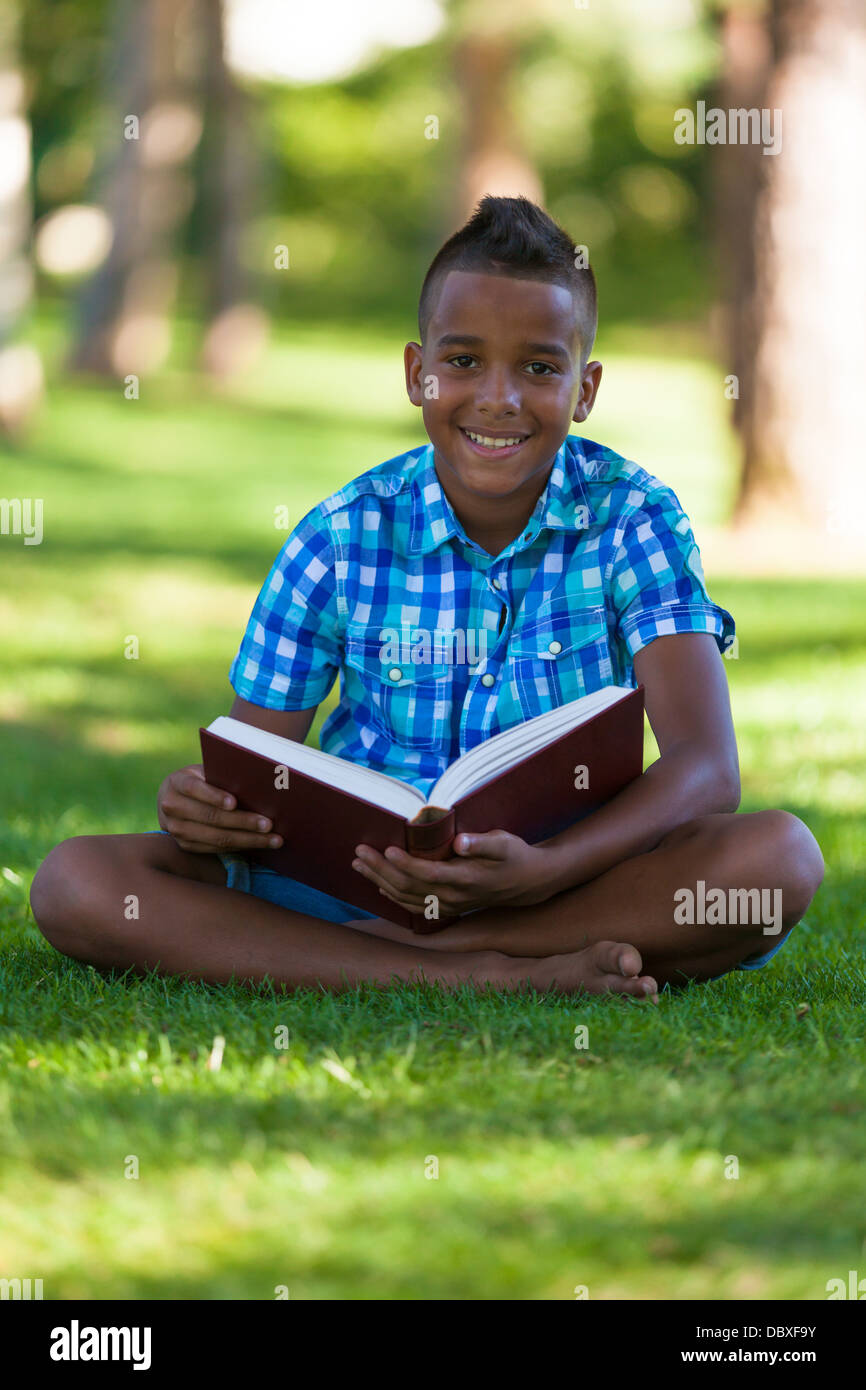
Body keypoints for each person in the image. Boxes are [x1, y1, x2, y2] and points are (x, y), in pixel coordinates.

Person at [29, 196, 824, 998]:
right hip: (352, 886)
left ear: (585, 390)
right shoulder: (340, 534)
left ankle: (388, 959)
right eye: (465, 361)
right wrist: (198, 804)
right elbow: (255, 767)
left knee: (775, 862)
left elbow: (706, 769)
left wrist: (545, 870)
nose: (499, 399)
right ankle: (474, 972)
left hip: (569, 878)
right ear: (419, 373)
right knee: (78, 880)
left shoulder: (632, 517)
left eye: (540, 369)